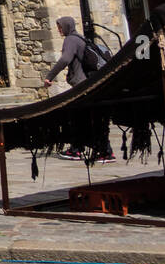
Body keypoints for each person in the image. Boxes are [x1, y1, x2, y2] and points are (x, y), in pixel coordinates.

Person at [44, 16, 115, 162]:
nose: (59, 30)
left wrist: (49, 76)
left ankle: (95, 151)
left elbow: (65, 59)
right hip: (88, 85)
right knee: (85, 118)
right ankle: (86, 149)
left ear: (66, 26)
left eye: (60, 27)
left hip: (81, 86)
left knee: (79, 118)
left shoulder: (70, 39)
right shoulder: (81, 38)